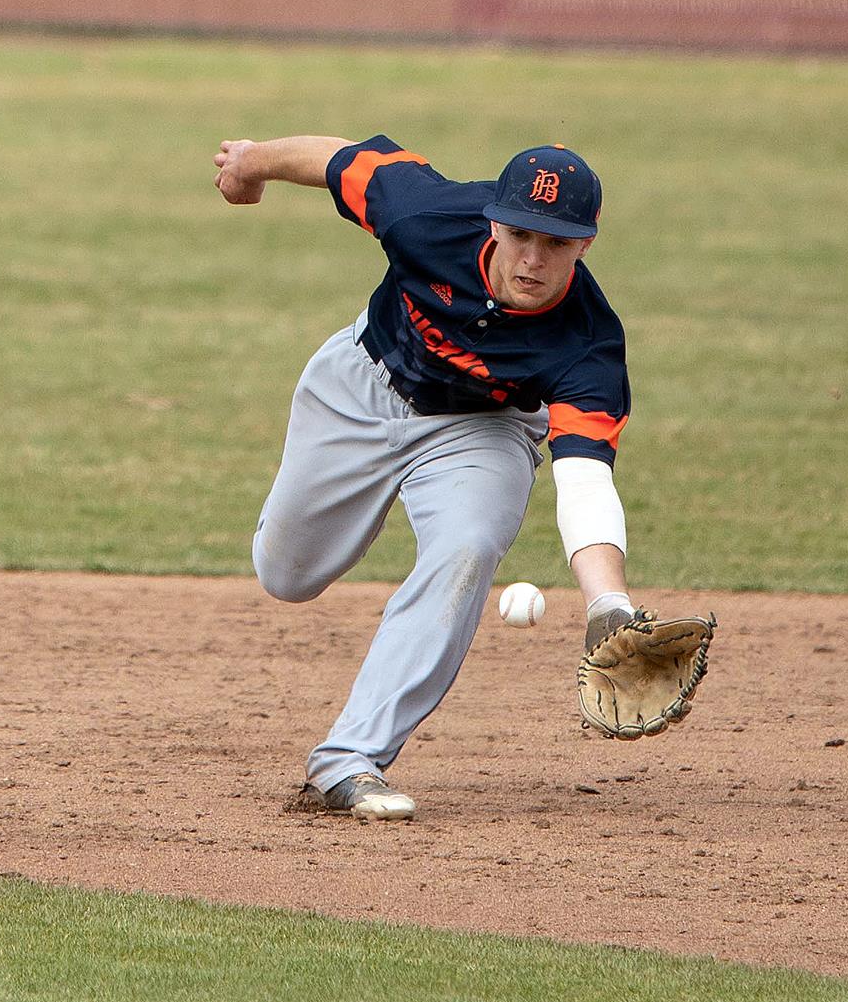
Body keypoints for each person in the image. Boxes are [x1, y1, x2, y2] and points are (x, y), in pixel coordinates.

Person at [213, 134, 650, 820]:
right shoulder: (428, 213)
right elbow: (338, 160)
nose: (534, 258)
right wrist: (249, 163)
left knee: (468, 543)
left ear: (586, 243)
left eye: (557, 243)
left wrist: (607, 603)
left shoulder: (588, 345)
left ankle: (349, 760)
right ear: (493, 221)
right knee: (285, 575)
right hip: (360, 386)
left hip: (482, 429)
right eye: (520, 234)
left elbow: (586, 479)